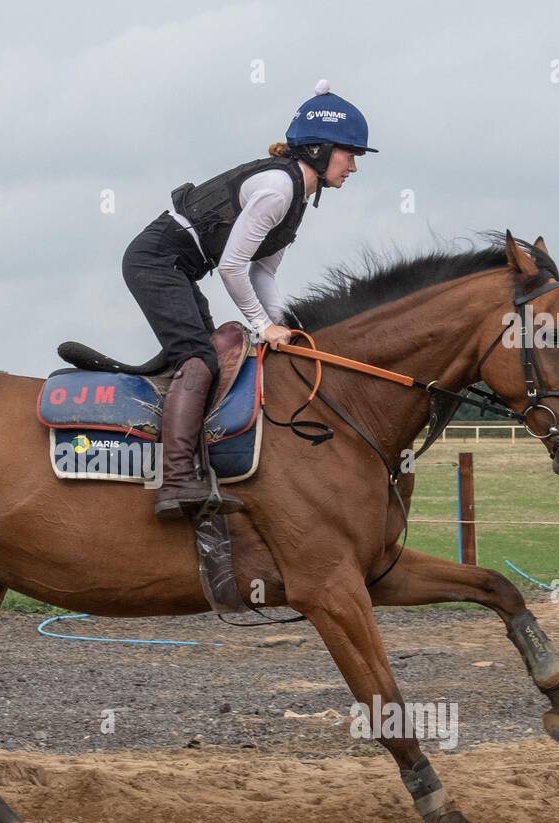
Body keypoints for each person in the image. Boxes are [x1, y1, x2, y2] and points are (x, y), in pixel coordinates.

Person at [122, 79, 376, 518]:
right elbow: (232, 268)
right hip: (155, 262)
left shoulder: (297, 197)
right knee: (199, 359)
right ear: (318, 149)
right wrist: (263, 325)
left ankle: (199, 463)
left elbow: (264, 272)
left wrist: (286, 330)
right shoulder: (278, 189)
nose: (353, 166)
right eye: (349, 153)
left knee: (213, 358)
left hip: (180, 268)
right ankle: (177, 479)